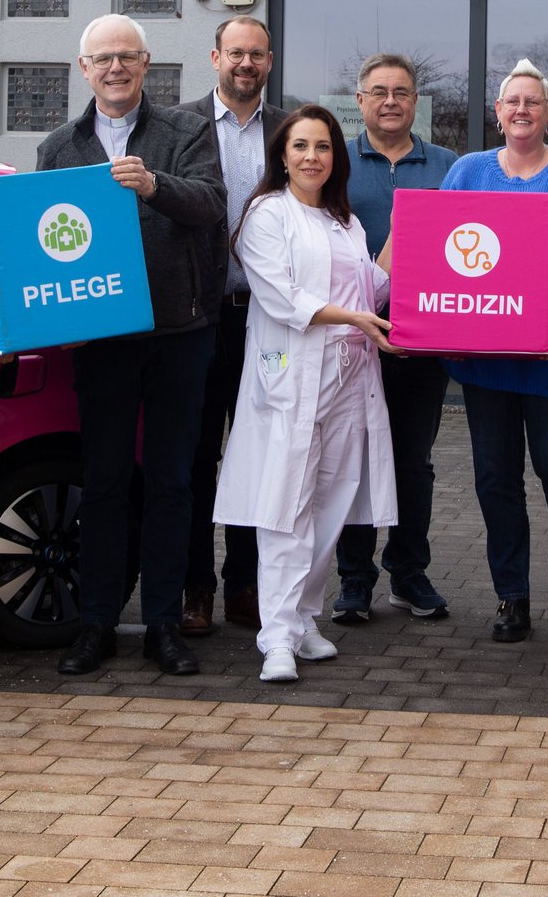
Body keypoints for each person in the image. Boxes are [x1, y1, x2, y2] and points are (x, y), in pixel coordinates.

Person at [38, 14, 226, 678]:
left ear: (146, 64)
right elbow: (46, 243)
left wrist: (154, 184)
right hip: (104, 341)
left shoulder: (186, 130)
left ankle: (164, 623)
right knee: (105, 483)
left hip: (181, 334)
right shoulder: (58, 148)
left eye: (127, 56)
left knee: (174, 481)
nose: (114, 68)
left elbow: (211, 203)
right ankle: (96, 624)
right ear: (83, 69)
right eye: (102, 59)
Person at [214, 107, 399, 683]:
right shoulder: (267, 214)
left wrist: (407, 240)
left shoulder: (345, 222)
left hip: (348, 378)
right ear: (283, 155)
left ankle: (303, 619)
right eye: (300, 146)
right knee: (287, 504)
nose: (312, 156)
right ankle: (275, 637)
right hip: (292, 379)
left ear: (335, 158)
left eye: (322, 146)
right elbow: (281, 296)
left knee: (333, 502)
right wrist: (357, 318)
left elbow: (374, 287)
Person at [442, 59, 548, 644]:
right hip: (486, 358)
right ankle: (512, 594)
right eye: (512, 101)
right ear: (497, 111)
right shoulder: (468, 170)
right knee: (496, 478)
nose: (521, 110)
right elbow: (442, 244)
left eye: (532, 102)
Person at [332, 53, 459, 624]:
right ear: (359, 101)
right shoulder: (333, 164)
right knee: (351, 458)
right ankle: (353, 579)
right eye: (378, 91)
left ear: (416, 102)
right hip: (352, 340)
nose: (390, 101)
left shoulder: (450, 166)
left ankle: (408, 572)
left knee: (414, 460)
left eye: (401, 92)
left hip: (422, 339)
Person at [178, 16, 286, 638]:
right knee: (195, 457)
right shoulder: (177, 126)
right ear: (215, 57)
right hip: (199, 316)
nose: (246, 64)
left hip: (268, 321)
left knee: (261, 453)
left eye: (257, 55)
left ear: (269, 62)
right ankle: (198, 587)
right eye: (235, 53)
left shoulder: (289, 131)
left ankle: (247, 582)